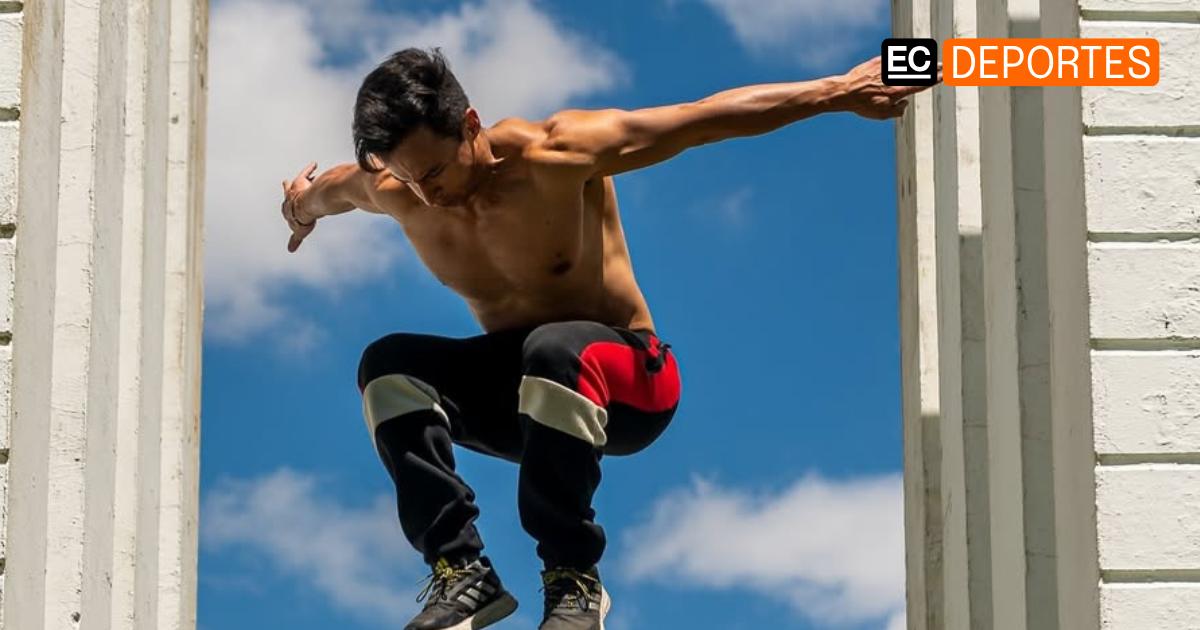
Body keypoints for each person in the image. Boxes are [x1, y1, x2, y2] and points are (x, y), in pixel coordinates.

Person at [279, 47, 938, 630]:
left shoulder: (558, 152)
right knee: (389, 366)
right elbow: (330, 192)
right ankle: (462, 573)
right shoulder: (397, 190)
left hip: (632, 382)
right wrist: (299, 204)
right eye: (410, 180)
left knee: (554, 348)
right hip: (534, 407)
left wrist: (837, 91)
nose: (429, 194)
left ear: (471, 125)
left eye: (437, 172)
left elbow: (704, 117)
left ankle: (573, 582)